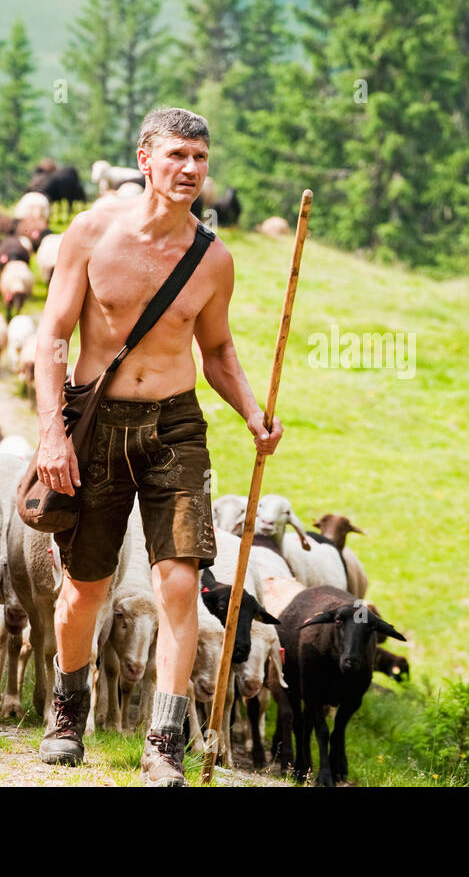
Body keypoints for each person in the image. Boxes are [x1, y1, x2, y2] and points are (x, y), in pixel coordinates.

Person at [32, 106, 283, 785]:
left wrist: (254, 413)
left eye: (200, 159)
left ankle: (163, 741)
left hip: (176, 427)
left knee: (179, 583)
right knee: (87, 587)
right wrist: (51, 429)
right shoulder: (89, 234)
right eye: (177, 156)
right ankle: (67, 710)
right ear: (144, 159)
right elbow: (52, 336)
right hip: (95, 424)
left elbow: (219, 350)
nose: (191, 170)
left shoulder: (212, 257)